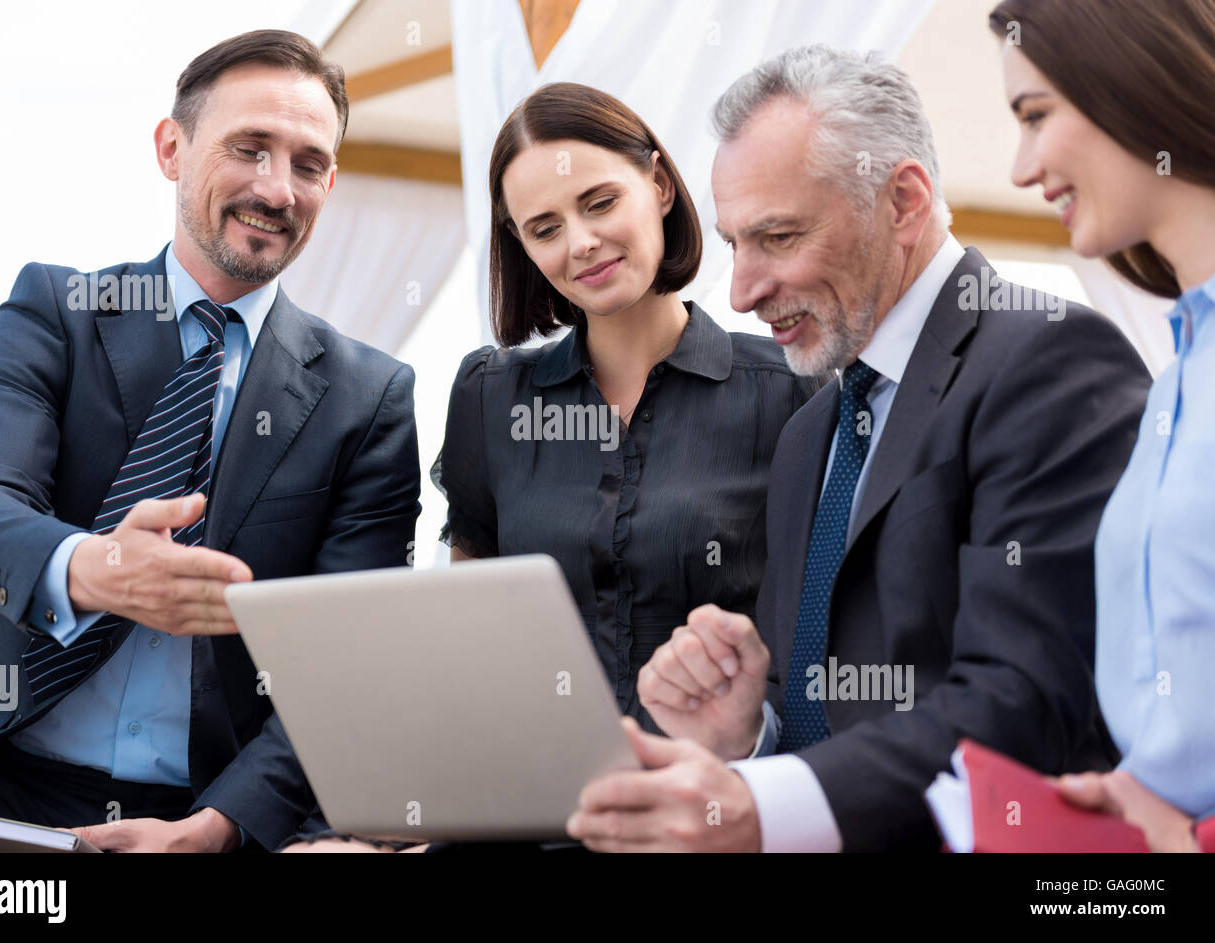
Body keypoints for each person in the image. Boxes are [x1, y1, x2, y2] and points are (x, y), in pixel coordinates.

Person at [565, 45, 1152, 852]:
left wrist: (758, 806)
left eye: (777, 236)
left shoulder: (1049, 360)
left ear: (903, 199)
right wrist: (747, 732)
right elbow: (829, 718)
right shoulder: (813, 428)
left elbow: (1024, 699)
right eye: (735, 242)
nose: (742, 289)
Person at [0, 30, 421, 852]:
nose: (275, 187)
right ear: (171, 148)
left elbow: (344, 668)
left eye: (305, 163)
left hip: (204, 809)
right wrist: (94, 568)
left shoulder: (371, 399)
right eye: (249, 147)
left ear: (330, 182)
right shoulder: (57, 310)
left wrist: (217, 829)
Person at [432, 82, 817, 732]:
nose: (579, 242)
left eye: (599, 202)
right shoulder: (487, 397)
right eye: (545, 227)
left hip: (713, 803)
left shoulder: (792, 389)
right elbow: (470, 640)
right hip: (534, 804)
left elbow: (818, 640)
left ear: (659, 186)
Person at [991, 0, 1215, 853]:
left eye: (1036, 117)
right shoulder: (1173, 383)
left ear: (1137, 79)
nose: (1019, 167)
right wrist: (1135, 791)